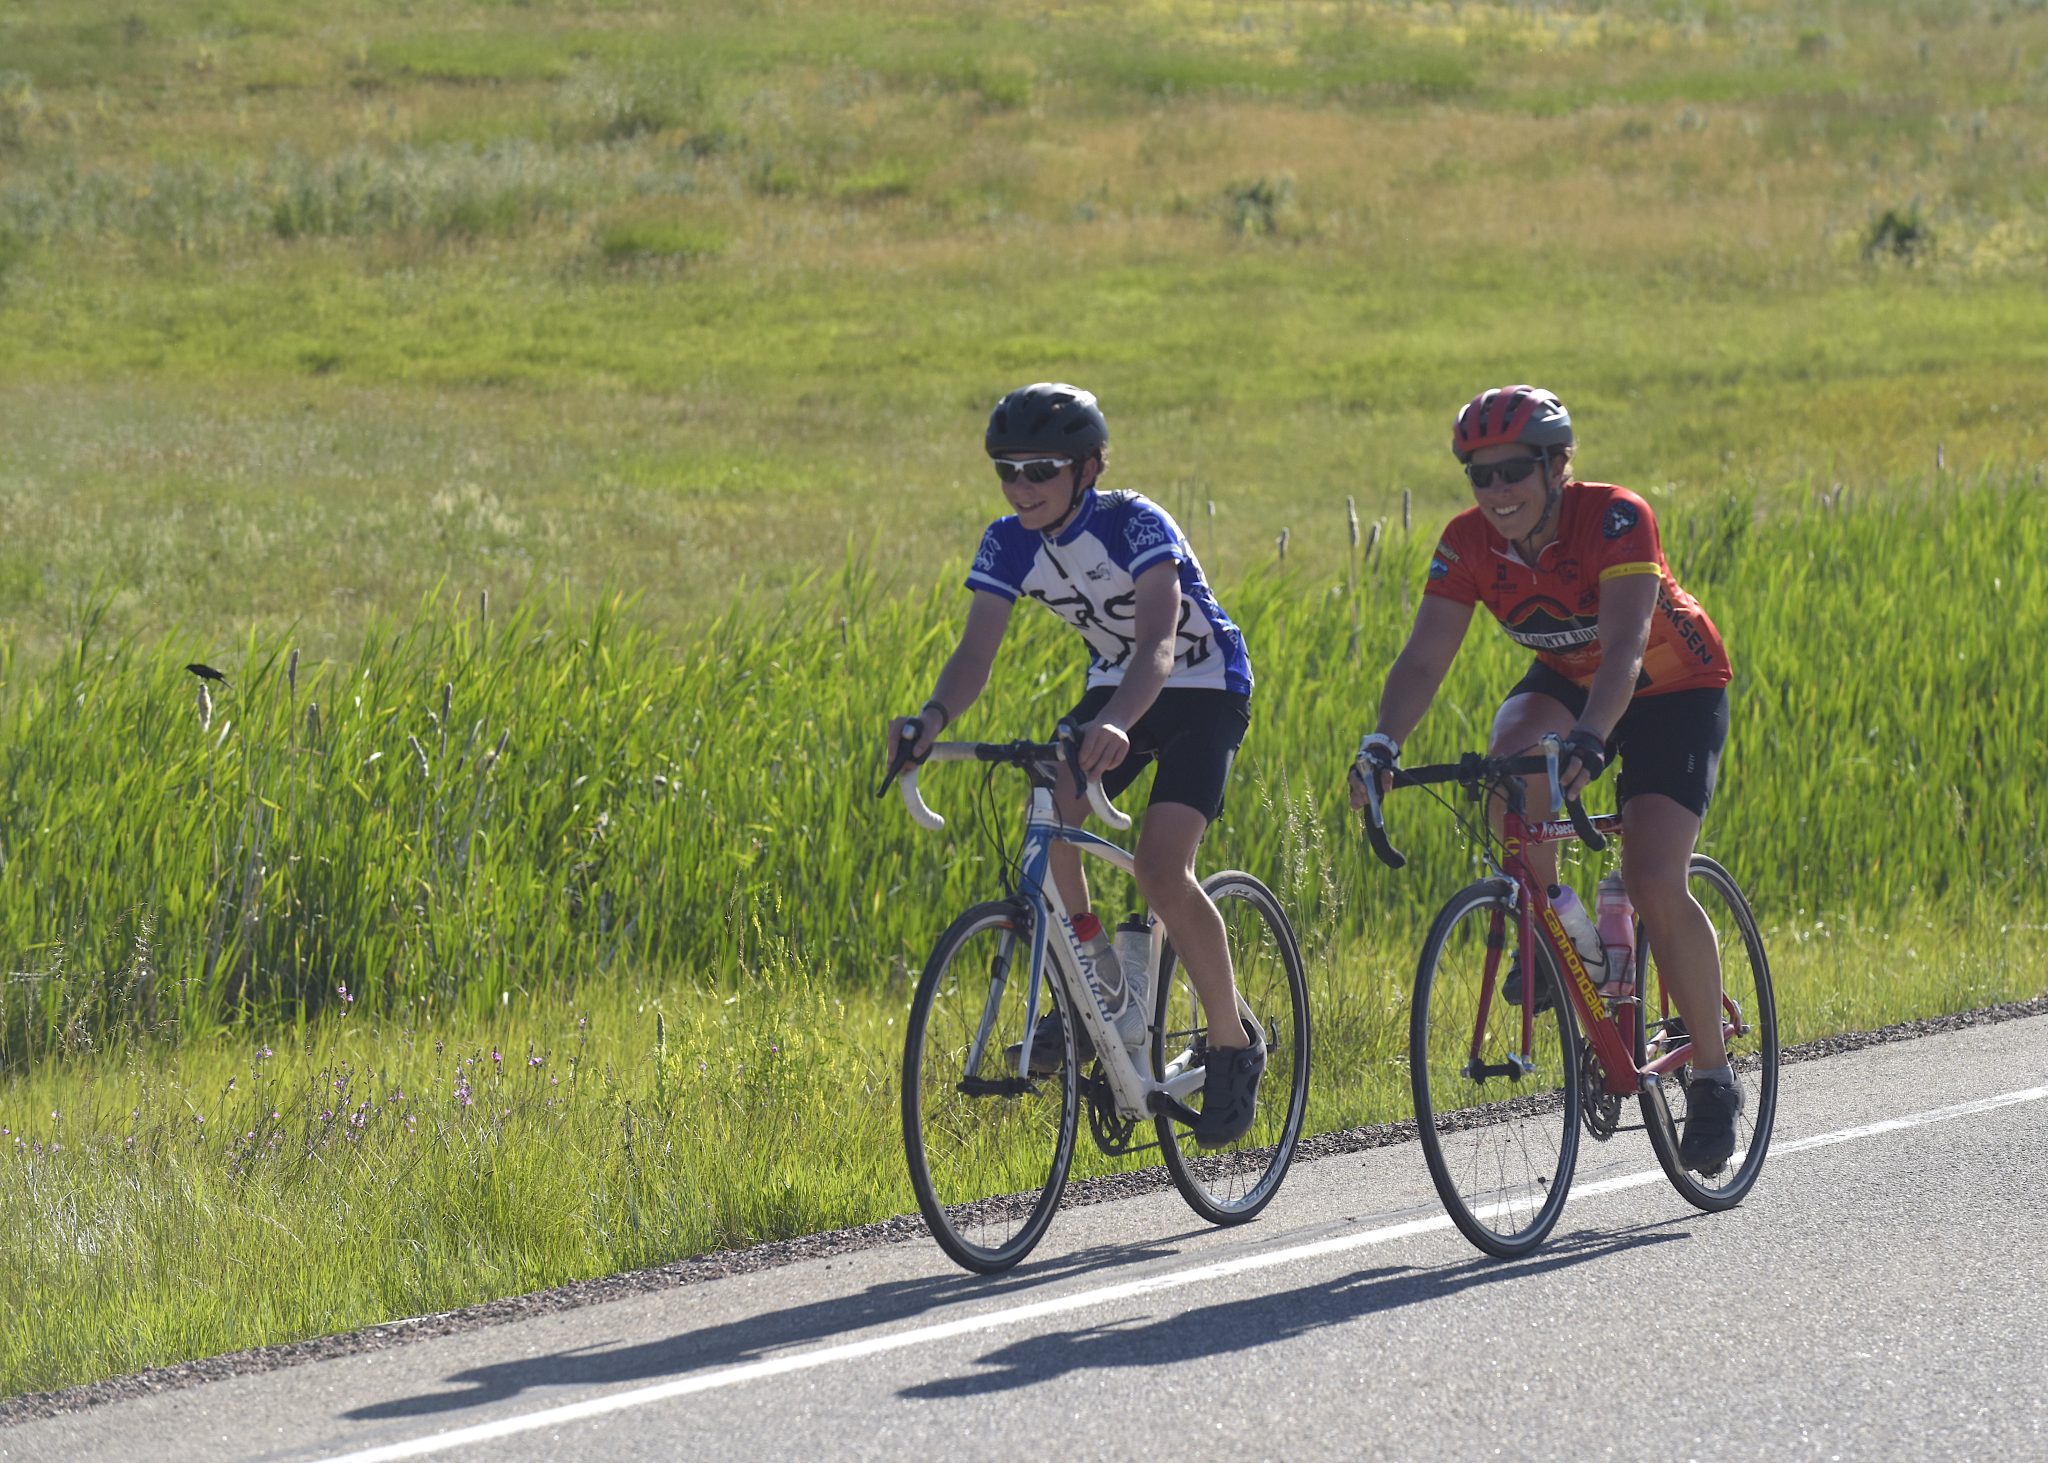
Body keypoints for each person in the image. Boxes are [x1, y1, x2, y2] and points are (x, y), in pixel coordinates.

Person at [1348, 384, 1742, 1173]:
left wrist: (1595, 738)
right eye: (1479, 475)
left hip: (1670, 685)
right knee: (1509, 751)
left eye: (1513, 471)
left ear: (1557, 465)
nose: (1496, 492)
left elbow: (1628, 644)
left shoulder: (1615, 517)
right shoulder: (1467, 544)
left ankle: (1711, 1075)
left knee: (1653, 875)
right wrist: (1382, 743)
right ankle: (1560, 925)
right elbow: (1426, 657)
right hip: (1571, 674)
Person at [886, 382, 1264, 1147]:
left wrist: (1121, 722)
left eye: (1040, 470)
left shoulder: (1136, 523)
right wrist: (929, 721)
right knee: (1053, 810)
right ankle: (1100, 983)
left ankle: (1233, 1045)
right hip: (1112, 686)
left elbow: (1158, 641)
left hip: (1200, 686)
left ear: (1087, 468)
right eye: (1007, 470)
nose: (1021, 486)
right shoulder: (1009, 539)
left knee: (1161, 869)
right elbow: (975, 653)